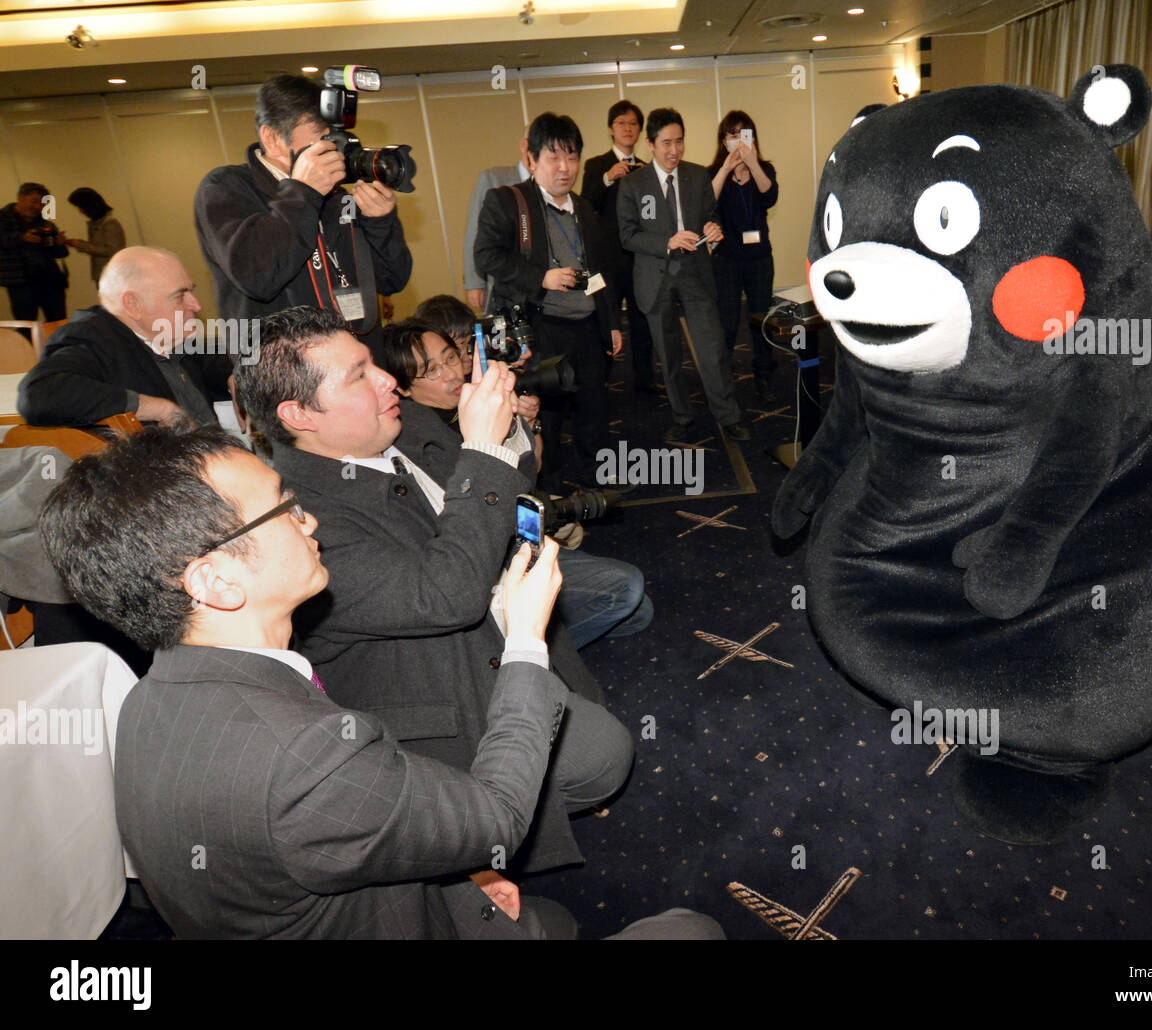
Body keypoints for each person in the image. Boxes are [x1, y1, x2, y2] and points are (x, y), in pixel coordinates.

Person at [39, 423, 720, 939]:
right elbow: (497, 821)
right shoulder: (300, 760)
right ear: (214, 580)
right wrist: (524, 641)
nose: (309, 522)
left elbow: (344, 831)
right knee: (695, 930)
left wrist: (462, 870)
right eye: (282, 509)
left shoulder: (149, 696)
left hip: (395, 893)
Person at [234, 305, 634, 874]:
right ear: (299, 414)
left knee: (625, 616)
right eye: (358, 376)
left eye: (372, 363)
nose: (387, 381)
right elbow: (446, 595)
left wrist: (508, 430)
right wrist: (482, 450)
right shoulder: (298, 517)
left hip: (495, 615)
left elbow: (510, 486)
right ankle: (462, 842)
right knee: (606, 757)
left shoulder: (404, 422)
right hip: (434, 683)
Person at [384, 317, 654, 649]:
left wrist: (522, 425)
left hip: (515, 538)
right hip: (484, 560)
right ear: (403, 388)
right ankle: (517, 654)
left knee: (638, 610)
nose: (451, 373)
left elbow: (529, 475)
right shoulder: (416, 439)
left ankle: (529, 633)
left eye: (451, 358)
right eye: (432, 370)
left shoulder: (474, 401)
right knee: (625, 591)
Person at [193, 74, 412, 363]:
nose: (334, 147)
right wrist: (303, 193)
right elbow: (259, 276)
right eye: (322, 136)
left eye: (336, 135)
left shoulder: (336, 196)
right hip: (287, 378)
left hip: (358, 365)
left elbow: (391, 279)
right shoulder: (226, 188)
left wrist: (380, 222)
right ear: (272, 139)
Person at [475, 112, 623, 488]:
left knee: (594, 407)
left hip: (587, 326)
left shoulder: (585, 208)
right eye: (554, 157)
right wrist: (540, 277)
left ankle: (596, 482)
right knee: (545, 416)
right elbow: (486, 256)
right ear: (532, 160)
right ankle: (550, 489)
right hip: (540, 327)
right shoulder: (508, 202)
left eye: (572, 157)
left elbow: (602, 271)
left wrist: (612, 324)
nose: (565, 168)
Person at [617, 109, 750, 444]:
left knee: (712, 349)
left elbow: (710, 214)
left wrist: (712, 226)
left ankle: (728, 415)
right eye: (666, 143)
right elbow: (627, 236)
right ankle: (682, 416)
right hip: (655, 276)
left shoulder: (697, 176)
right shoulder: (633, 184)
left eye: (679, 142)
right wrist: (667, 241)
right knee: (669, 354)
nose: (674, 150)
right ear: (650, 144)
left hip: (694, 273)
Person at [17, 246, 230, 427]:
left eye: (191, 291)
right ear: (133, 304)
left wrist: (237, 377)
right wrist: (156, 408)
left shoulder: (170, 336)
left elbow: (211, 363)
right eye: (179, 296)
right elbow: (39, 394)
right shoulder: (94, 339)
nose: (196, 305)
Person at [580, 100, 656, 392]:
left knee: (642, 323)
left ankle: (646, 382)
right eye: (621, 123)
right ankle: (601, 381)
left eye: (633, 124)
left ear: (639, 131)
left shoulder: (646, 169)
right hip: (607, 260)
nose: (627, 128)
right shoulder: (596, 165)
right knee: (607, 322)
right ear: (611, 130)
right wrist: (608, 177)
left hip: (639, 259)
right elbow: (585, 204)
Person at [707, 111, 779, 404]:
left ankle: (764, 374)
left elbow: (770, 196)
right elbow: (705, 203)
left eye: (744, 134)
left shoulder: (764, 168)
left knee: (761, 319)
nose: (738, 140)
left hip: (759, 258)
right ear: (723, 141)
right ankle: (723, 381)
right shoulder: (714, 171)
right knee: (726, 321)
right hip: (727, 259)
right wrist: (726, 169)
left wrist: (751, 164)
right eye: (732, 135)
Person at [462, 135, 531, 313]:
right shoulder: (493, 179)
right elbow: (474, 232)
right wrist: (474, 283)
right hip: (501, 283)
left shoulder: (553, 184)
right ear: (524, 144)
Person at [0, 182, 68, 324]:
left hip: (50, 281)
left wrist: (59, 244)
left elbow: (59, 254)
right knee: (27, 326)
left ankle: (60, 347)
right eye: (34, 202)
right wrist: (22, 238)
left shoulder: (46, 225)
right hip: (20, 283)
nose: (38, 207)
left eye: (42, 204)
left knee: (58, 322)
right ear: (20, 197)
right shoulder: (3, 219)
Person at [64, 187, 126, 286]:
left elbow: (112, 251)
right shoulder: (97, 223)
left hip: (112, 275)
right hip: (105, 275)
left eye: (81, 207)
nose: (80, 211)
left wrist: (80, 244)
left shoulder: (109, 223)